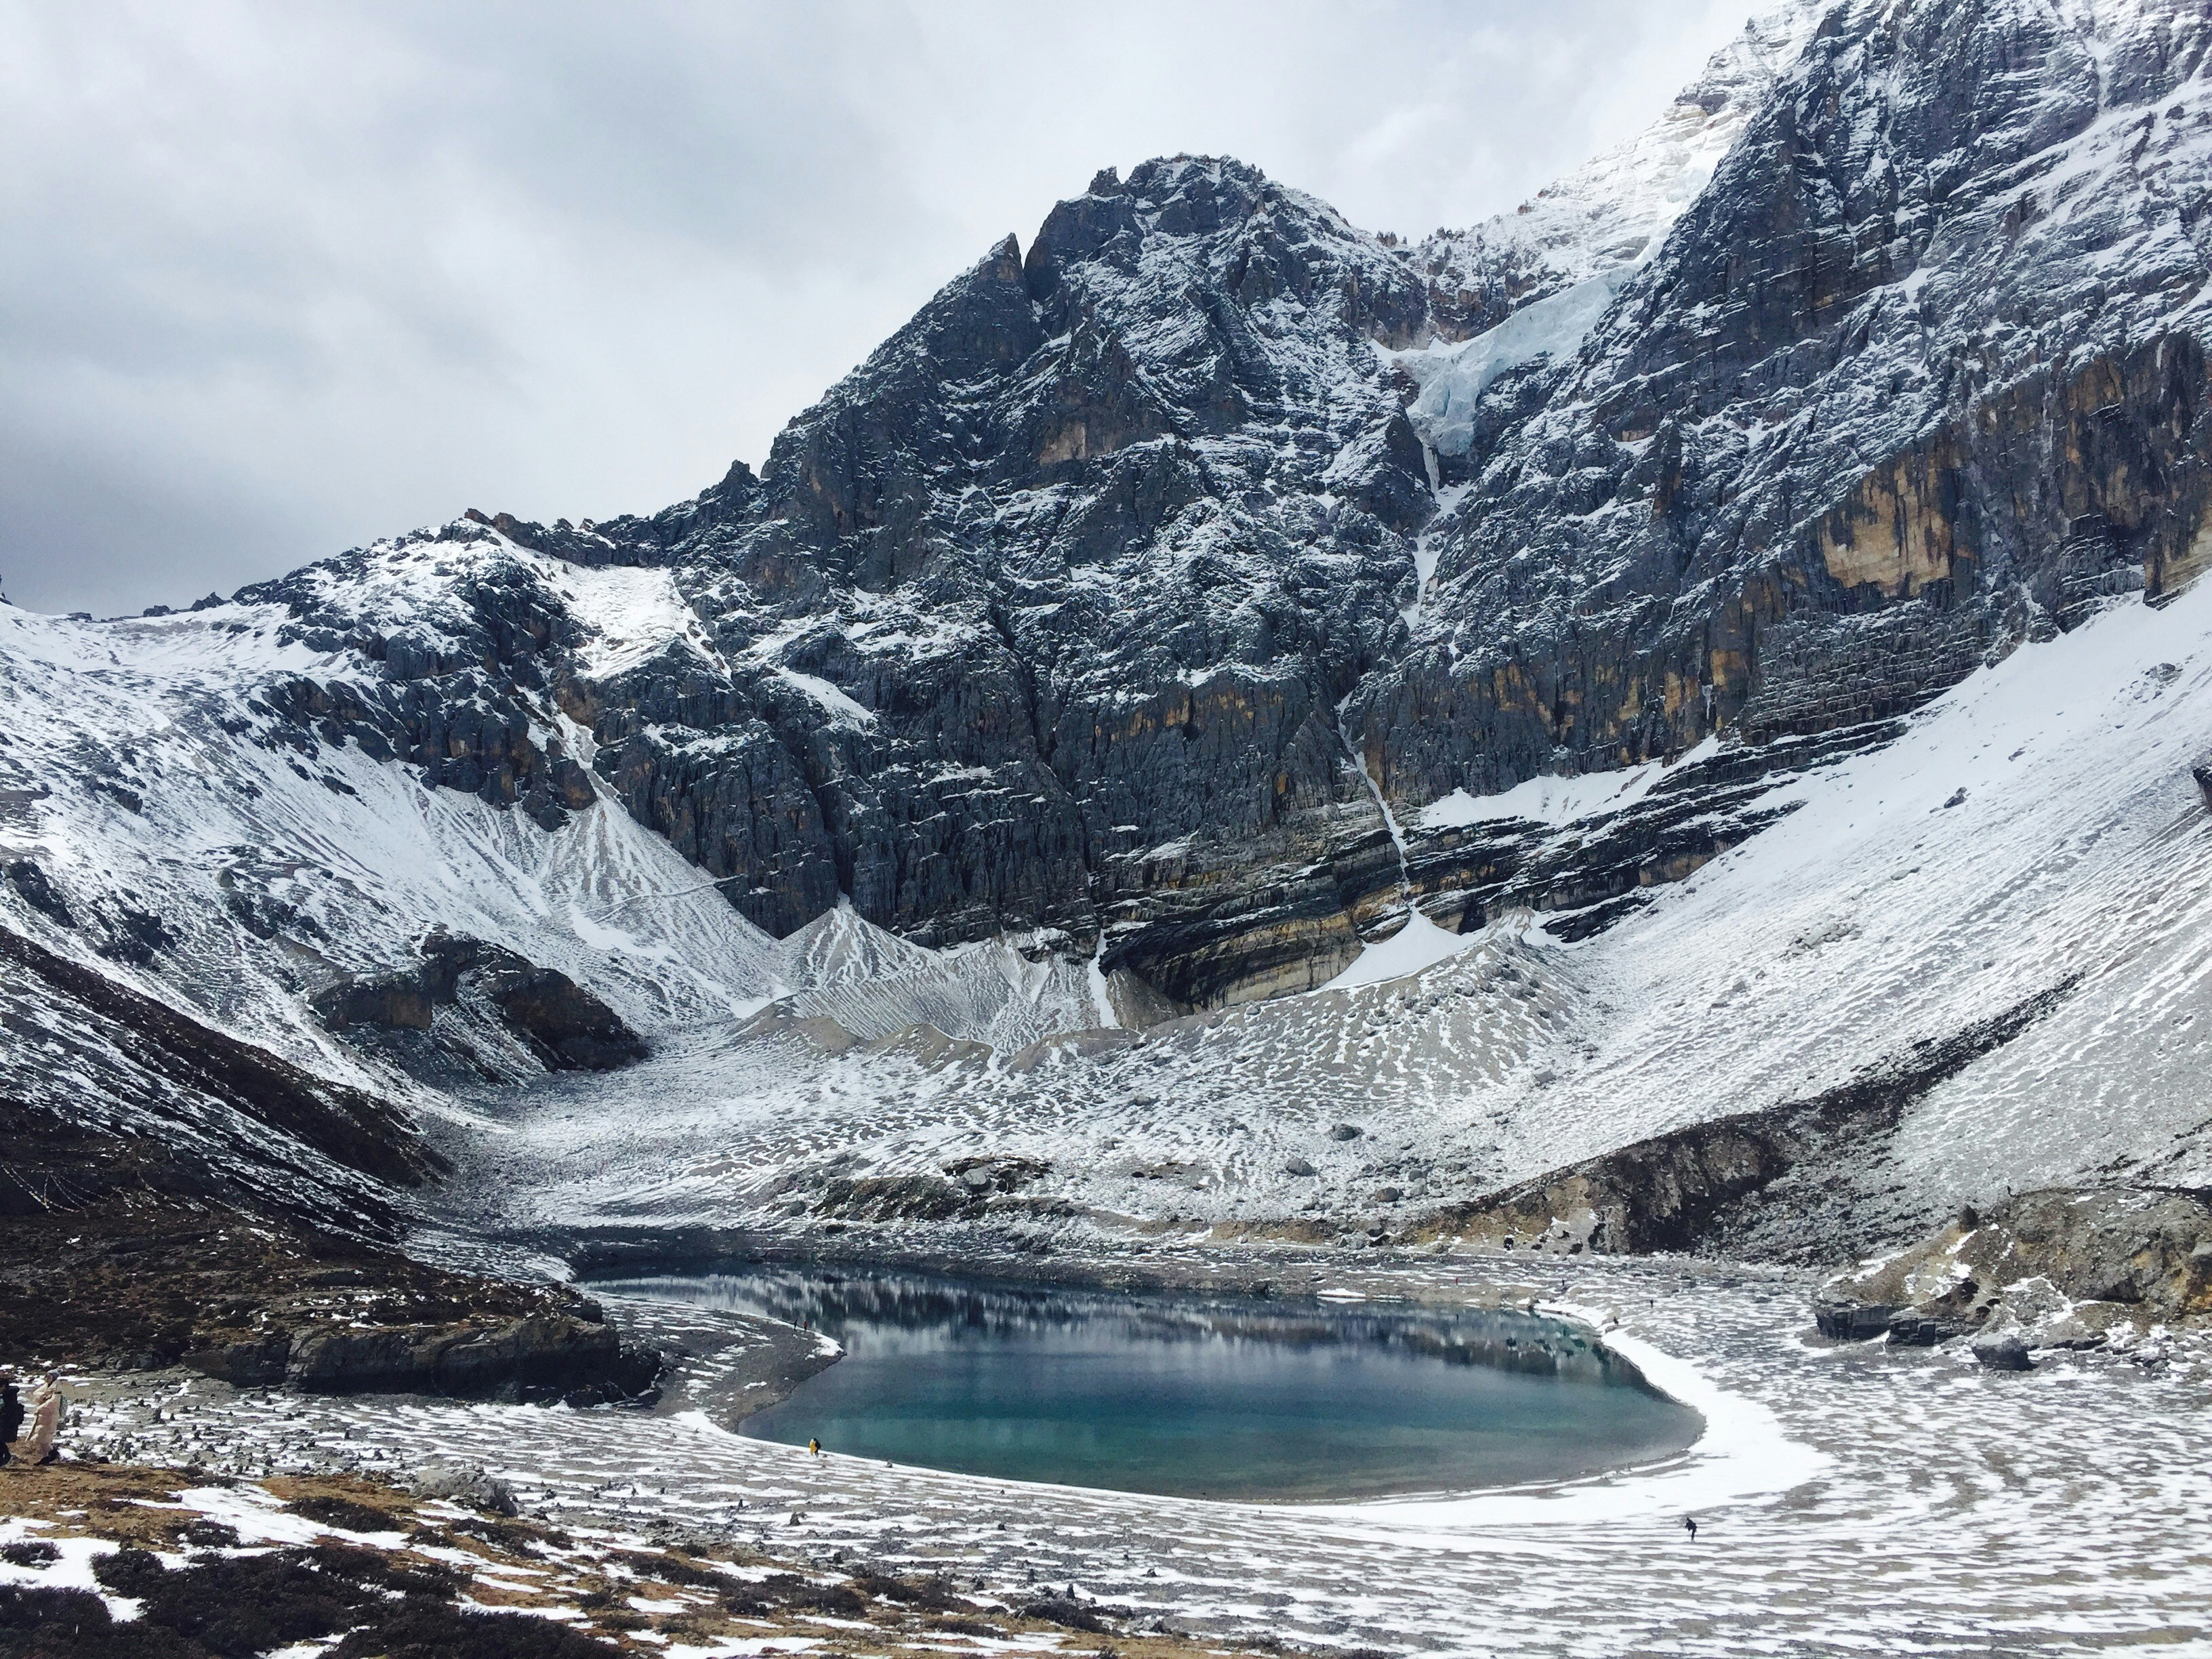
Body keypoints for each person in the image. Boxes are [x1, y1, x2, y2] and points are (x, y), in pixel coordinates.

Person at [20, 1378, 62, 1466]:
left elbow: (53, 1403)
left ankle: (50, 1454)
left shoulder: (57, 1388)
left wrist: (41, 1407)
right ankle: (46, 1455)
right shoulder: (46, 1386)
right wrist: (43, 1396)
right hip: (42, 1418)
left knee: (46, 1437)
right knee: (41, 1437)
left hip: (50, 1417)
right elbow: (37, 1394)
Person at [0, 1378, 21, 1465]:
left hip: (8, 1422)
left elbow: (8, 1410)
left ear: (4, 1386)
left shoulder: (8, 1396)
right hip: (6, 1421)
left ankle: (5, 1457)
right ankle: (4, 1458)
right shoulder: (6, 1394)